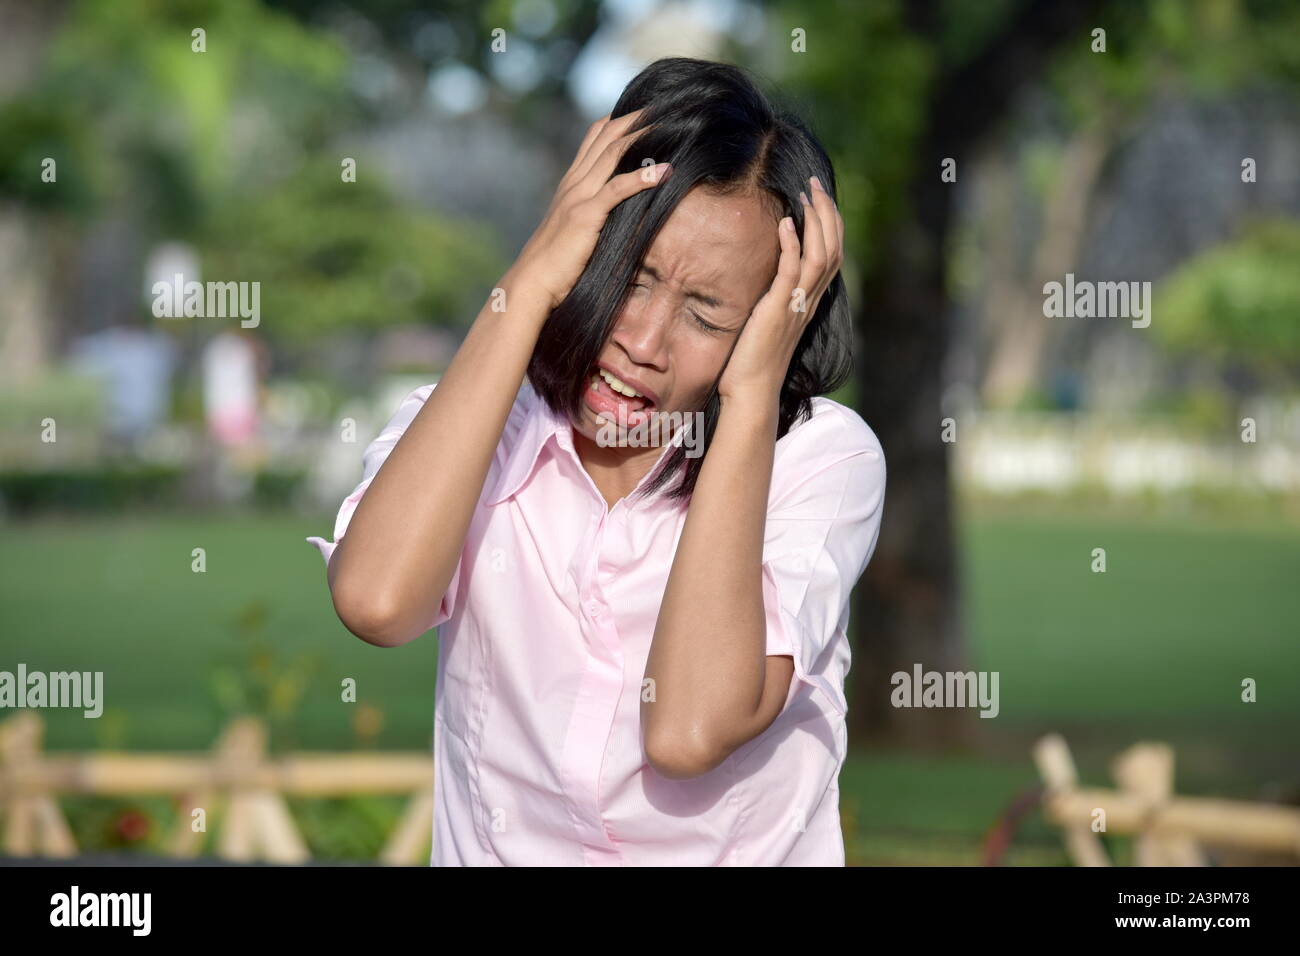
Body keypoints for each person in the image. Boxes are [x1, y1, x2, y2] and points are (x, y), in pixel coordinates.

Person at [307, 57, 885, 866]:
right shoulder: (479, 426)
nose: (643, 343)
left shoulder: (818, 459)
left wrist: (751, 397)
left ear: (770, 325)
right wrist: (533, 277)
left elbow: (688, 730)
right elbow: (374, 601)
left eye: (707, 314)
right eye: (634, 277)